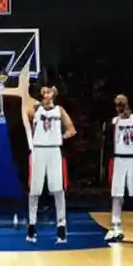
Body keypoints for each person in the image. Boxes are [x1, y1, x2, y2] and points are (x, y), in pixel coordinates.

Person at [24, 85, 77, 244]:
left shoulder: (59, 110)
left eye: (48, 91)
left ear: (54, 93)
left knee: (58, 190)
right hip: (38, 150)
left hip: (54, 150)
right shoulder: (35, 108)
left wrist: (59, 136)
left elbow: (72, 130)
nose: (45, 94)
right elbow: (24, 111)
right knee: (34, 190)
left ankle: (61, 227)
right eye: (43, 92)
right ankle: (31, 226)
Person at [105, 95, 133, 243]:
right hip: (119, 159)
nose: (120, 107)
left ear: (127, 104)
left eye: (122, 104)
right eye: (117, 104)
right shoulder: (114, 122)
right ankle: (116, 227)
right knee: (117, 194)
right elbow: (109, 141)